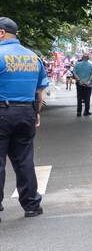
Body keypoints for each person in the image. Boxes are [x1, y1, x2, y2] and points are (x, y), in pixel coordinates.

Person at [0, 16, 49, 220]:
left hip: (2, 111)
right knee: (24, 160)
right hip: (26, 112)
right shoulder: (32, 57)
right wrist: (36, 112)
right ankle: (31, 205)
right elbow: (41, 89)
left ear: (1, 33)